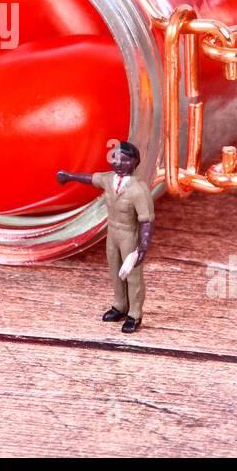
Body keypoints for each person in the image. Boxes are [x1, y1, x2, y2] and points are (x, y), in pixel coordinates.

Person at [57, 140, 154, 333]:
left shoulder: (138, 190)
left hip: (129, 235)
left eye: (125, 160)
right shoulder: (108, 180)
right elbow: (90, 178)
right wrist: (69, 176)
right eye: (116, 159)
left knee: (132, 275)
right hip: (112, 234)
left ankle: (134, 314)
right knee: (115, 270)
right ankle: (120, 305)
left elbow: (146, 220)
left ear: (135, 162)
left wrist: (143, 246)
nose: (118, 163)